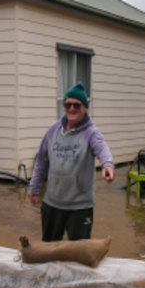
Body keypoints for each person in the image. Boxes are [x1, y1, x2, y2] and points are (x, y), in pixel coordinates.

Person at [28, 82, 115, 241]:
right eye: (68, 104)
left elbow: (102, 148)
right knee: (48, 252)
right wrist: (34, 187)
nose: (72, 108)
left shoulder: (91, 132)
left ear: (85, 107)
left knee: (79, 256)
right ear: (64, 106)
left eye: (77, 105)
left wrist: (107, 165)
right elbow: (41, 160)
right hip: (52, 204)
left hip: (80, 207)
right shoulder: (53, 130)